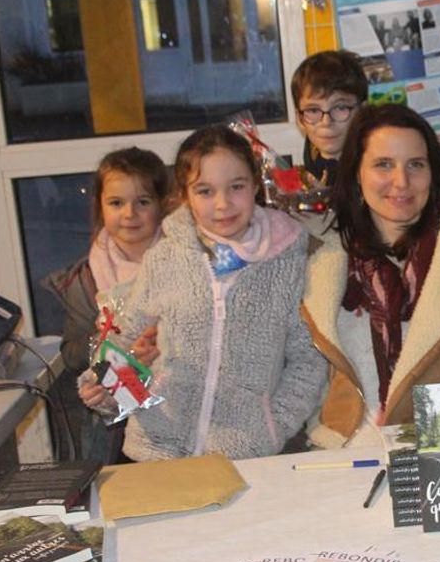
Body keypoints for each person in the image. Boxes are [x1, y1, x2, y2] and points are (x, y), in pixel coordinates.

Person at [79, 127, 326, 461]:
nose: (223, 204)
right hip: (155, 451)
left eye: (236, 187)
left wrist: (273, 427)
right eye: (205, 191)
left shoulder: (289, 262)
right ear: (185, 195)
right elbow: (122, 339)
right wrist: (109, 392)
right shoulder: (165, 258)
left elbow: (308, 361)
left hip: (245, 457)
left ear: (256, 185)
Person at [301, 104, 440, 443]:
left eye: (416, 165)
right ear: (357, 172)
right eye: (383, 164)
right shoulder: (323, 254)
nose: (401, 182)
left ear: (433, 171)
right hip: (343, 450)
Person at [43, 147, 169, 462]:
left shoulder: (184, 263)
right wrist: (116, 348)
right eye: (116, 203)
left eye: (143, 202)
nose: (129, 214)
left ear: (162, 204)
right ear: (100, 206)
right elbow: (72, 353)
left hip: (178, 409)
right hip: (115, 426)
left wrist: (164, 342)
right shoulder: (86, 278)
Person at [290, 50, 369, 187]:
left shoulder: (378, 175)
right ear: (300, 119)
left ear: (363, 111)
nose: (326, 122)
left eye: (340, 107)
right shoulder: (306, 178)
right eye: (313, 110)